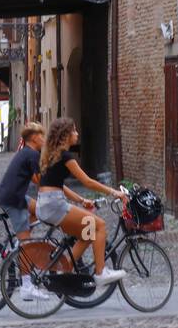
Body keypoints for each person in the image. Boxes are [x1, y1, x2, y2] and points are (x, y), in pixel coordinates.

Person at [37, 117, 126, 286]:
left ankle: (64, 273)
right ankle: (101, 272)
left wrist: (81, 200)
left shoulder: (51, 156)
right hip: (54, 205)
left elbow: (57, 185)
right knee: (99, 225)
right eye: (74, 131)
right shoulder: (66, 156)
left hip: (46, 203)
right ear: (66, 135)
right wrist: (114, 192)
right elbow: (88, 182)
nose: (77, 134)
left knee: (88, 232)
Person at [0, 123, 46, 302]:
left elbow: (35, 179)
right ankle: (26, 286)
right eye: (42, 136)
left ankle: (21, 239)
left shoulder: (25, 152)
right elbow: (41, 181)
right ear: (34, 138)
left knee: (38, 210)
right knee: (27, 245)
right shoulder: (32, 154)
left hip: (13, 195)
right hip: (14, 200)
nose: (44, 139)